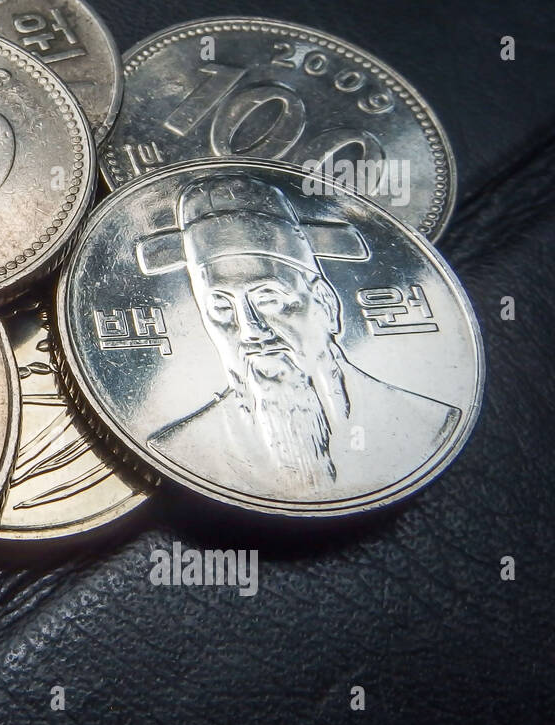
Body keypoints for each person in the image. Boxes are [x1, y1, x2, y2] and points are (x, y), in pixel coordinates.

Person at [136, 175, 460, 501]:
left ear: (325, 303)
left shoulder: (422, 425)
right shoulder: (180, 446)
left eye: (268, 298)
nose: (250, 329)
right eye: (221, 306)